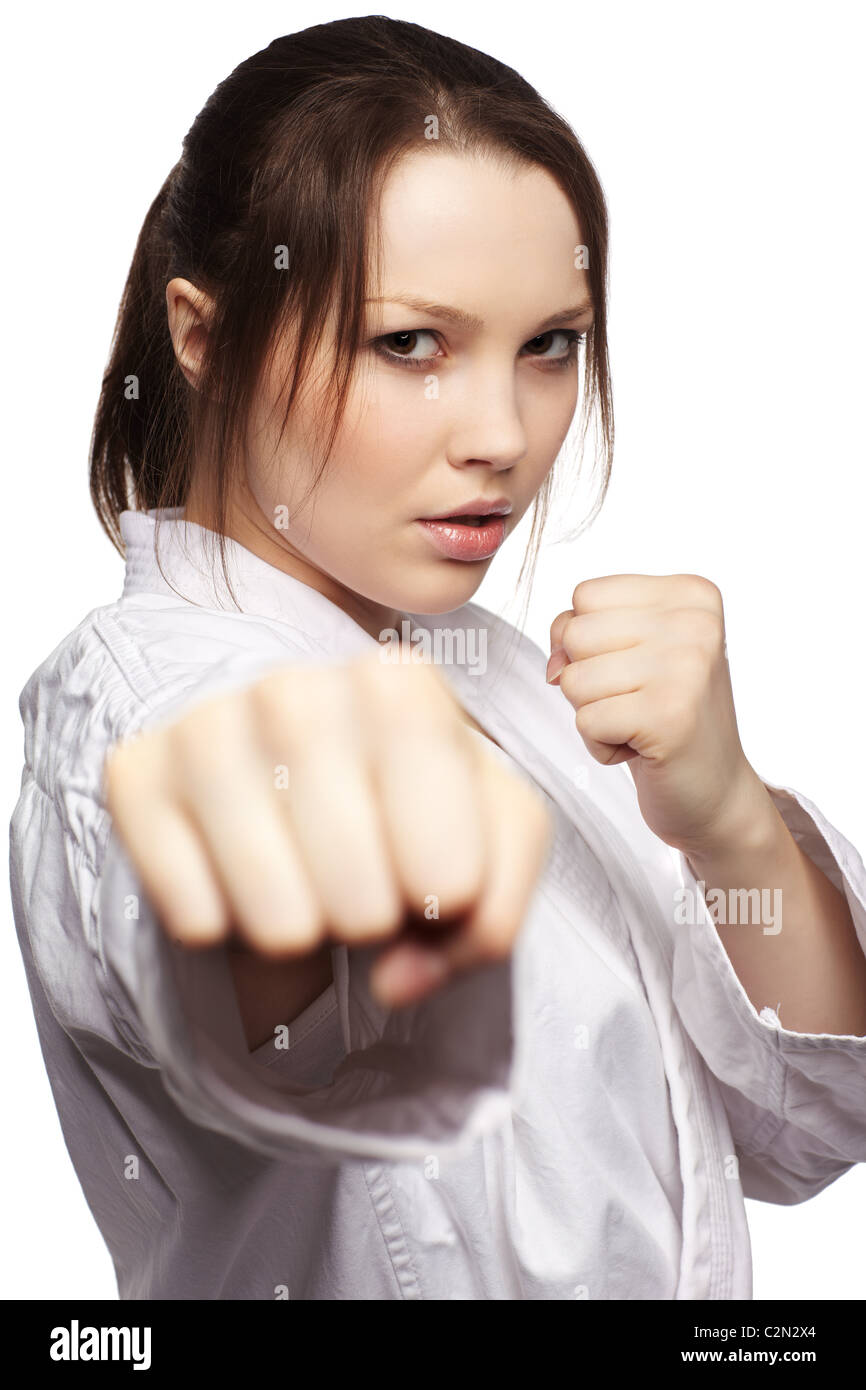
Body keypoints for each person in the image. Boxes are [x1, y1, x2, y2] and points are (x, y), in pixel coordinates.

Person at [9, 15, 866, 1301]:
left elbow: (803, 1133)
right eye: (407, 343)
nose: (502, 434)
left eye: (548, 345)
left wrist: (735, 823)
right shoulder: (146, 702)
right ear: (201, 334)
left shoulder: (490, 671)